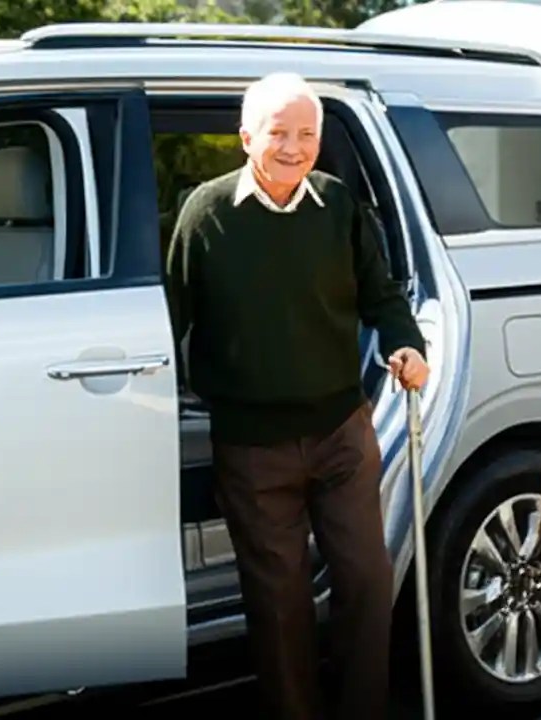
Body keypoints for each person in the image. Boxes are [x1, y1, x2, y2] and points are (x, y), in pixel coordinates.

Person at [165, 72, 429, 720]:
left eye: (306, 133)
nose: (293, 146)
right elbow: (171, 317)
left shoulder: (337, 206)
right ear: (246, 136)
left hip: (341, 429)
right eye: (279, 132)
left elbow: (383, 297)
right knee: (278, 604)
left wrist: (407, 344)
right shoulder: (205, 213)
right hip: (253, 446)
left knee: (368, 580)